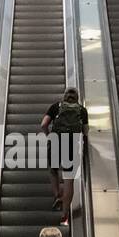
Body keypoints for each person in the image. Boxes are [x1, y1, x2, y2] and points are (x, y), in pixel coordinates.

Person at [41, 87, 89, 225]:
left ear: (64, 96)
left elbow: (43, 124)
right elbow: (85, 131)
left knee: (53, 170)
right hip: (72, 145)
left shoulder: (56, 106)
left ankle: (57, 194)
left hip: (56, 141)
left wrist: (49, 135)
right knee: (69, 180)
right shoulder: (82, 110)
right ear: (77, 98)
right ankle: (64, 214)